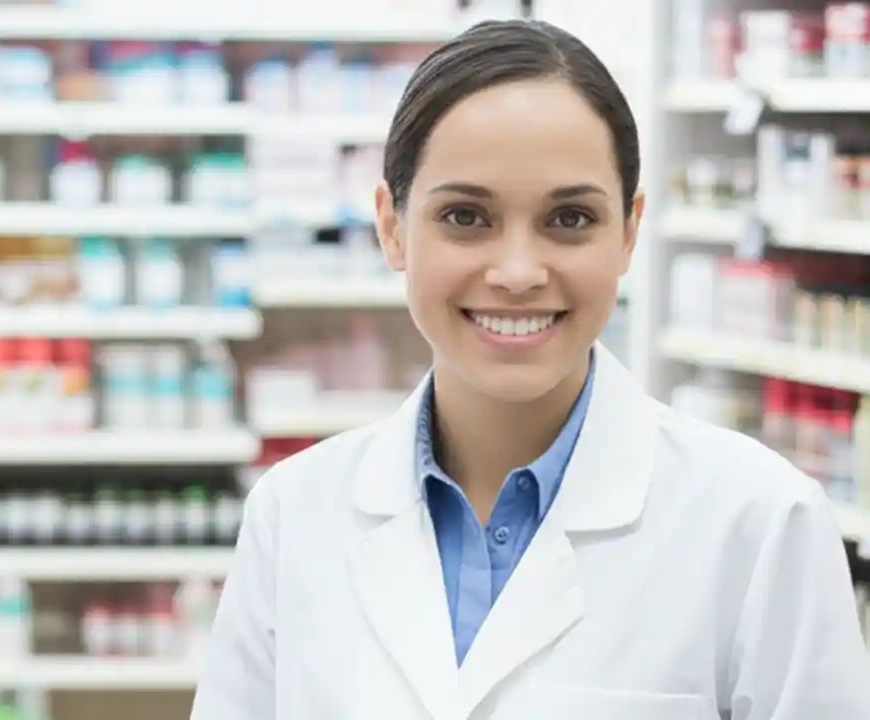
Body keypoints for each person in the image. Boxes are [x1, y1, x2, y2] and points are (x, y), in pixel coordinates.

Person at [190, 19, 870, 720]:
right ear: (392, 226)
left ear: (629, 232)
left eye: (570, 219)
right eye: (465, 216)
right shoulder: (294, 515)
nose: (517, 273)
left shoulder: (760, 524)